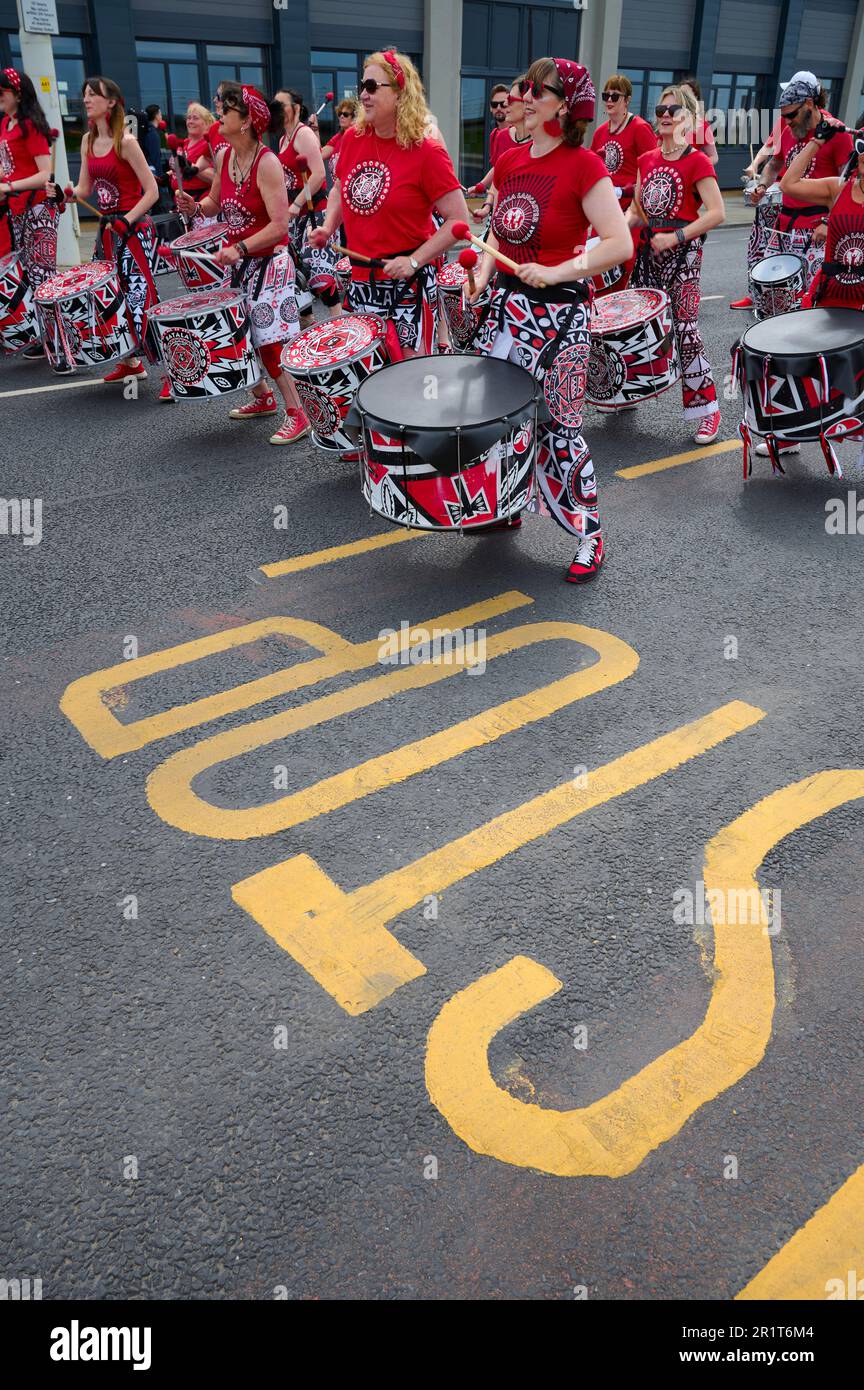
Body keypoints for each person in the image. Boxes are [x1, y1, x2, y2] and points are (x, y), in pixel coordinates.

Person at [469, 57, 631, 582]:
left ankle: (591, 533)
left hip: (560, 317)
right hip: (508, 309)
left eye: (539, 89)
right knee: (502, 419)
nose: (527, 95)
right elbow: (496, 232)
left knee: (560, 428)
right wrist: (481, 274)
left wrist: (558, 269)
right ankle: (505, 508)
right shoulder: (512, 160)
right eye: (526, 86)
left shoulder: (584, 165)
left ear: (564, 104)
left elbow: (619, 243)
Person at [308, 49, 468, 358]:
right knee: (369, 380)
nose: (363, 96)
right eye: (361, 87)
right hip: (360, 282)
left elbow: (458, 222)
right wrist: (328, 227)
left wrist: (414, 261)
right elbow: (341, 188)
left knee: (410, 384)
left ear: (399, 93)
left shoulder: (426, 151)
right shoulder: (353, 139)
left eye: (371, 87)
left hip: (405, 283)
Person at [175, 83, 309, 444]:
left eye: (227, 109)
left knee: (270, 342)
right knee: (239, 335)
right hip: (242, 261)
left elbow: (280, 227)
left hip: (270, 262)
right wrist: (195, 206)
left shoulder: (267, 163)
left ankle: (298, 414)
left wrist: (242, 247)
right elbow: (216, 203)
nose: (219, 112)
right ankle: (263, 397)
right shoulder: (223, 156)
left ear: (248, 120)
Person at [751, 124, 864, 460]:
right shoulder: (838, 187)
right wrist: (817, 141)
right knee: (803, 365)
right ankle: (789, 435)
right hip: (828, 293)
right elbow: (788, 183)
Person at [49, 76, 166, 392]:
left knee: (143, 300)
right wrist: (64, 194)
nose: (86, 99)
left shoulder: (126, 142)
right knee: (112, 298)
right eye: (84, 94)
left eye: (93, 95)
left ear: (111, 102)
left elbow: (152, 190)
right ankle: (131, 363)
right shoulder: (87, 141)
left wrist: (127, 220)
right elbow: (85, 189)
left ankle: (172, 375)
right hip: (107, 234)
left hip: (133, 231)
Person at [628, 84, 725, 444]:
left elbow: (717, 213)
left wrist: (678, 237)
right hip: (649, 252)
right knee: (637, 325)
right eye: (660, 110)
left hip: (684, 253)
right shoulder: (646, 160)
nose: (665, 116)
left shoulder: (696, 160)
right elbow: (638, 212)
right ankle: (625, 395)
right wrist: (610, 235)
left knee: (685, 331)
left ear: (687, 118)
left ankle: (708, 411)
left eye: (673, 111)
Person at [749, 73, 853, 292]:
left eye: (792, 115)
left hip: (817, 229)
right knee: (772, 294)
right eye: (784, 116)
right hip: (785, 225)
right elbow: (775, 164)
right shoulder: (789, 131)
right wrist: (762, 186)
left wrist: (829, 222)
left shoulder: (837, 132)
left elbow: (848, 185)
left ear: (809, 103)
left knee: (810, 297)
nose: (787, 121)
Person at [0, 67, 58, 359]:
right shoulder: (5, 125)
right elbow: (8, 166)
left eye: (1, 93)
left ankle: (61, 346)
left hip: (39, 207)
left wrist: (7, 185)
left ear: (17, 94)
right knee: (28, 277)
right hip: (19, 209)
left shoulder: (29, 125)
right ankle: (44, 337)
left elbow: (45, 174)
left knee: (43, 277)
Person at [275, 88, 341, 316]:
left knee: (319, 276)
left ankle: (338, 323)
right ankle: (308, 323)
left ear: (295, 108)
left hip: (315, 211)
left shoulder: (302, 134)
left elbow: (319, 174)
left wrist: (296, 204)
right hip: (295, 216)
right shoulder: (283, 138)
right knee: (296, 274)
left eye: (281, 104)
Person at [590, 74, 656, 210]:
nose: (609, 100)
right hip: (604, 206)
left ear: (627, 100)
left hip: (631, 208)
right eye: (605, 96)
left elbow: (652, 170)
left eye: (615, 96)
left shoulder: (640, 128)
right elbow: (592, 169)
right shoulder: (600, 132)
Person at [472, 76, 530, 224]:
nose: (503, 105)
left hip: (525, 217)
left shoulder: (540, 142)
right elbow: (498, 174)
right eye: (495, 104)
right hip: (501, 216)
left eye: (510, 100)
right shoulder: (499, 136)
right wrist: (487, 207)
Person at [170, 102, 215, 198]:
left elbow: (215, 177)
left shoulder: (208, 145)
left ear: (206, 123)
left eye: (195, 118)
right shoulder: (184, 143)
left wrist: (190, 166)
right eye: (189, 118)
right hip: (180, 202)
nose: (190, 121)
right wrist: (167, 175)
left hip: (200, 202)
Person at [679, 78, 719, 166]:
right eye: (680, 94)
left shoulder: (701, 125)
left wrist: (695, 167)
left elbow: (714, 157)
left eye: (686, 94)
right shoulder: (669, 119)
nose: (682, 97)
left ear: (696, 97)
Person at [320, 98, 358, 182]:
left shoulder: (359, 137)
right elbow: (320, 155)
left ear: (354, 118)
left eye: (346, 114)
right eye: (340, 113)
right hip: (338, 190)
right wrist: (315, 130)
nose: (341, 116)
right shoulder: (338, 136)